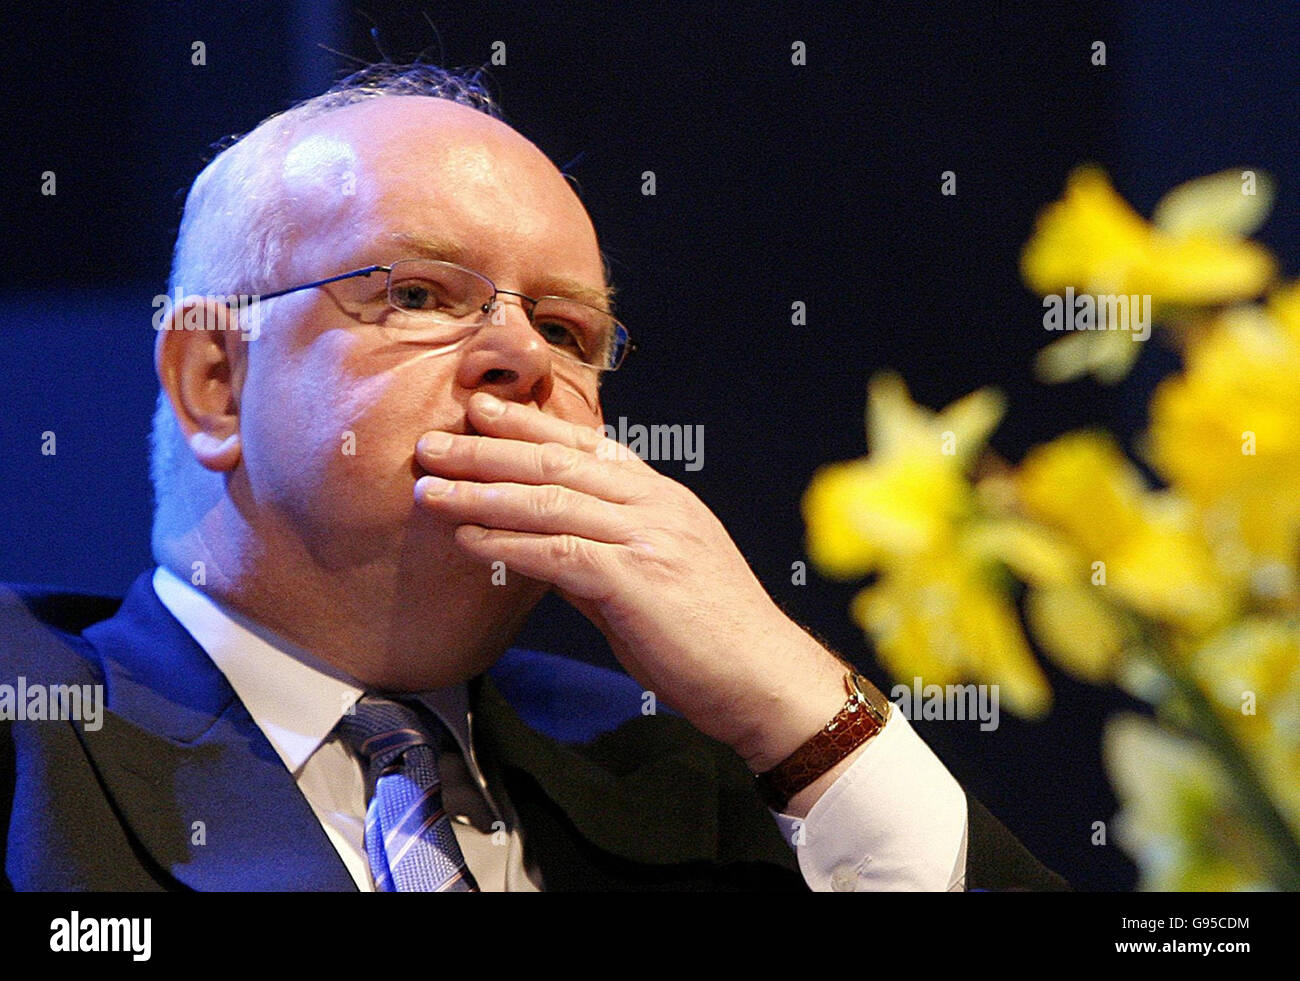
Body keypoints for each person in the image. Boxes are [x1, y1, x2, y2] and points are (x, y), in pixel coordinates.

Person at [0, 63, 1067, 892]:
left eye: (567, 327)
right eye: (417, 294)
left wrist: (811, 721)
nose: (521, 356)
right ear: (214, 383)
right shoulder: (30, 727)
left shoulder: (691, 767)